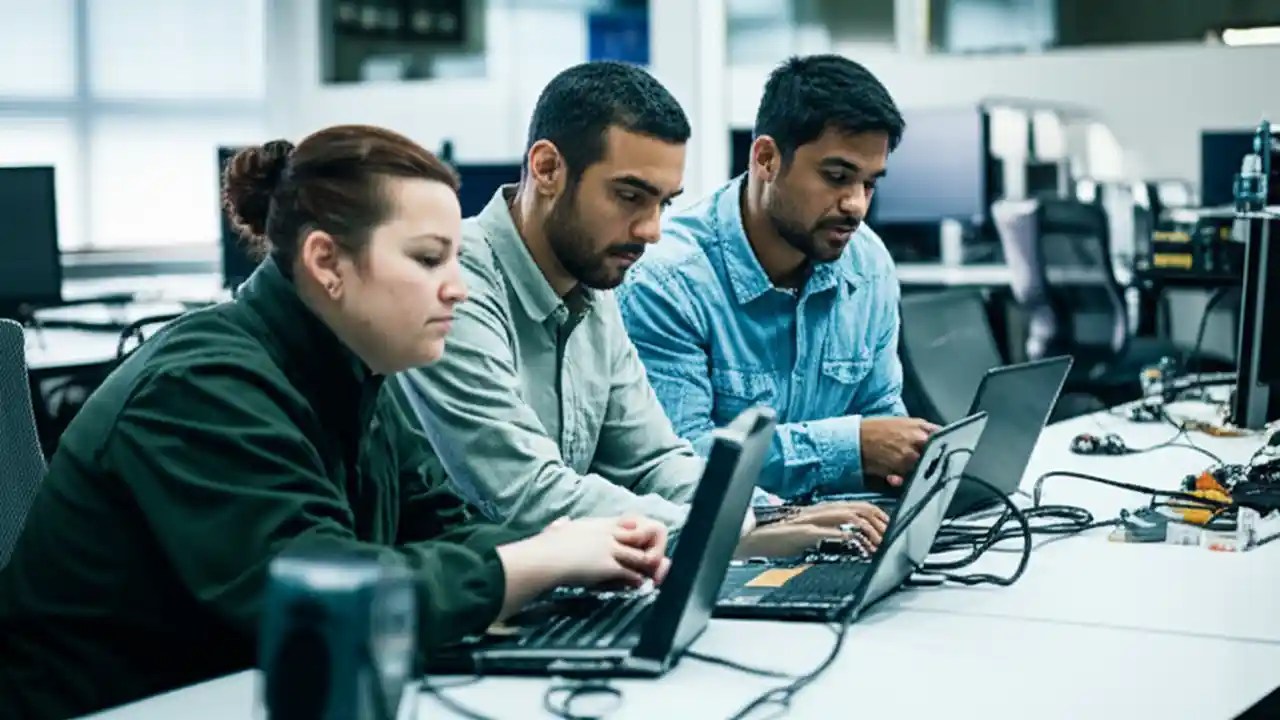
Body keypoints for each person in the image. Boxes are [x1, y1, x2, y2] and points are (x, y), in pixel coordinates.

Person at [0, 125, 671, 720]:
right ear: (327, 263)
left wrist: (560, 551)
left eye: (456, 260)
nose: (457, 287)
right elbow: (326, 597)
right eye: (428, 258)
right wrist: (528, 562)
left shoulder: (357, 375)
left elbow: (441, 525)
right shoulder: (203, 390)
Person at [398, 61, 888, 556]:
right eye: (630, 196)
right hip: (462, 608)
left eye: (664, 204)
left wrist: (770, 514)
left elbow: (654, 460)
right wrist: (732, 535)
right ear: (547, 169)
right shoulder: (455, 284)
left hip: (556, 593)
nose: (651, 231)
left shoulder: (595, 285)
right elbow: (528, 493)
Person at [617, 55, 939, 502]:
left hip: (837, 532)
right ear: (766, 159)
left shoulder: (868, 265)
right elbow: (680, 464)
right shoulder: (667, 280)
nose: (856, 206)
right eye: (837, 177)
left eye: (869, 184)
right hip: (729, 550)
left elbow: (882, 420)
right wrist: (850, 447)